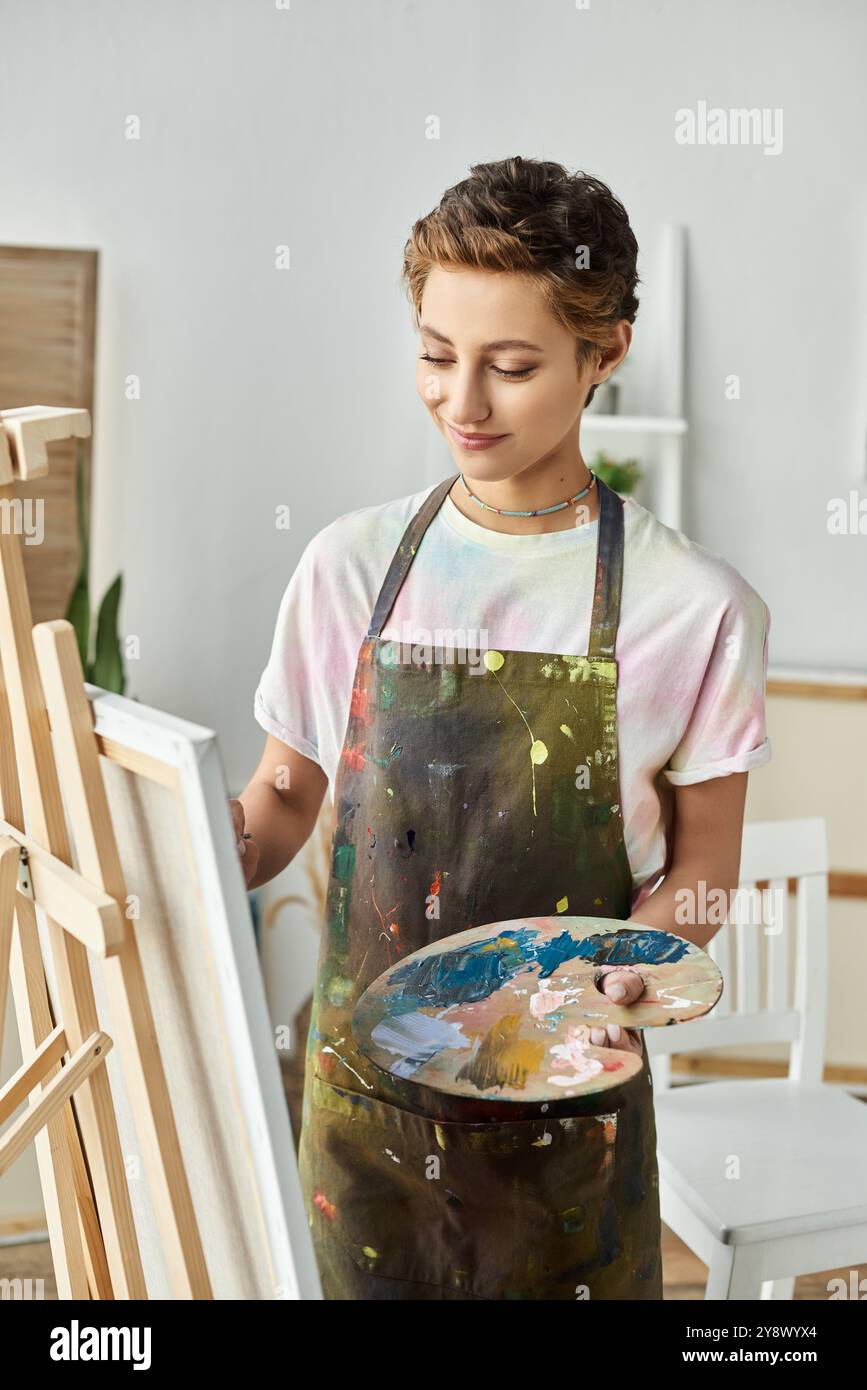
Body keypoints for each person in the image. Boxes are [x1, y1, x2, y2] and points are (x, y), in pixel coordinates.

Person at [233, 156, 772, 1300]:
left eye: (511, 366)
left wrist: (636, 969)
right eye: (435, 356)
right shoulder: (348, 566)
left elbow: (708, 875)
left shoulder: (698, 607)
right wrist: (192, 846)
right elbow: (283, 801)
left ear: (606, 353)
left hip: (568, 1126)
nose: (462, 402)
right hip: (364, 1130)